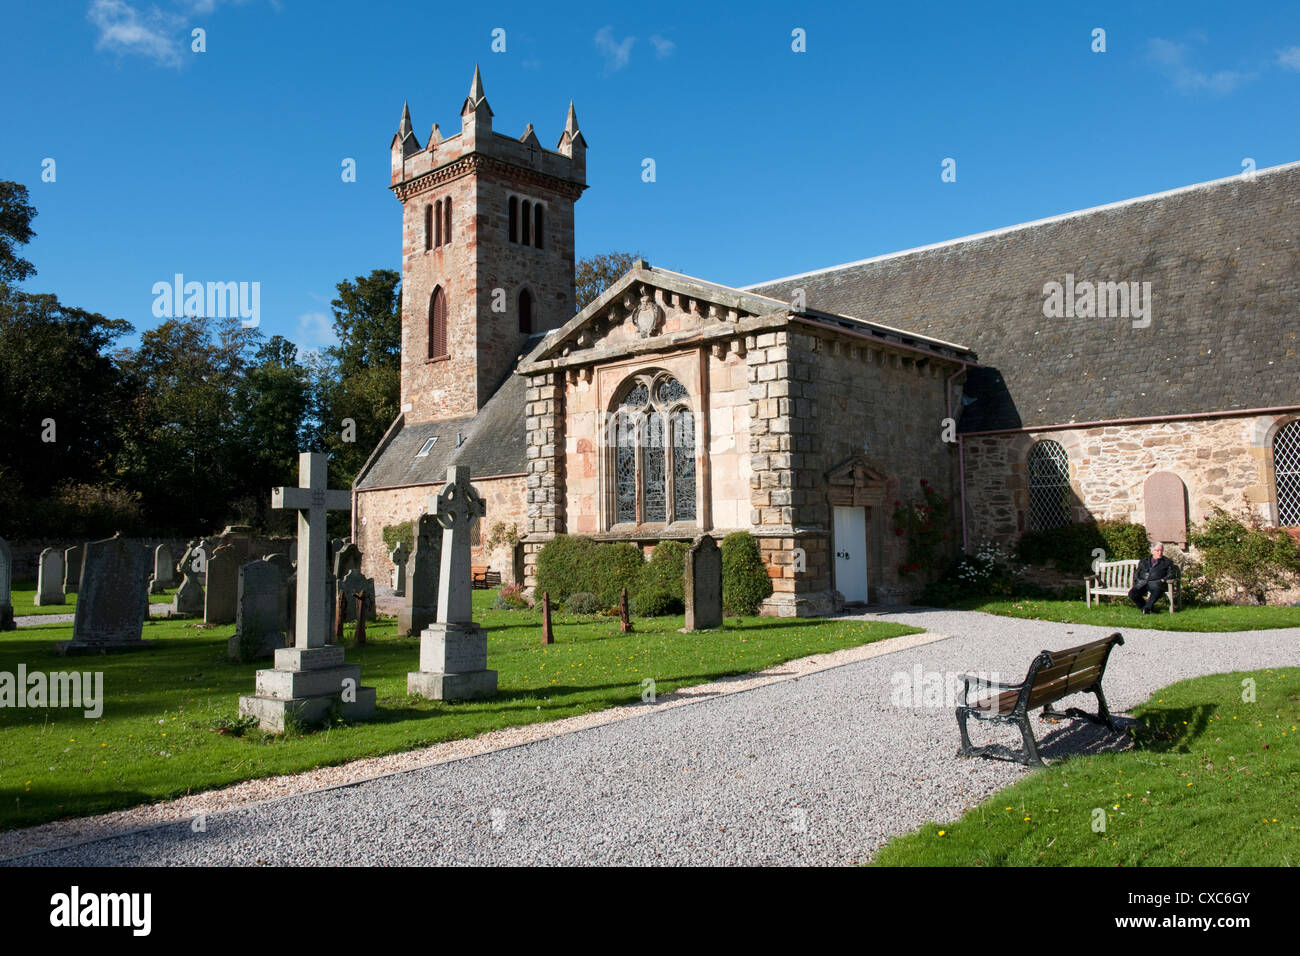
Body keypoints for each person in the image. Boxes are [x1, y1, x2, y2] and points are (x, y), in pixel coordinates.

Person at [1129, 542, 1174, 614]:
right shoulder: (1144, 561)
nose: (1160, 552)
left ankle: (1146, 609)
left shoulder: (1167, 562)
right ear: (1152, 551)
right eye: (1157, 551)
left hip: (1156, 583)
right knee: (1132, 593)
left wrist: (1163, 580)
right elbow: (1137, 572)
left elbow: (1171, 574)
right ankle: (1146, 608)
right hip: (1142, 583)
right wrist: (1137, 580)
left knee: (1157, 591)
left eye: (1161, 550)